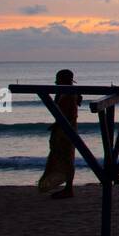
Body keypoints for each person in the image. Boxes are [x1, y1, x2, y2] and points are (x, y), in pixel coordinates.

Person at [39, 69, 80, 198]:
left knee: (67, 158)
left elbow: (69, 115)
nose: (56, 82)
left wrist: (57, 124)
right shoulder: (64, 93)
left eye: (58, 79)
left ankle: (68, 188)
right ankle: (66, 187)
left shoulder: (69, 95)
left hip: (66, 130)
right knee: (63, 157)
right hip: (64, 129)